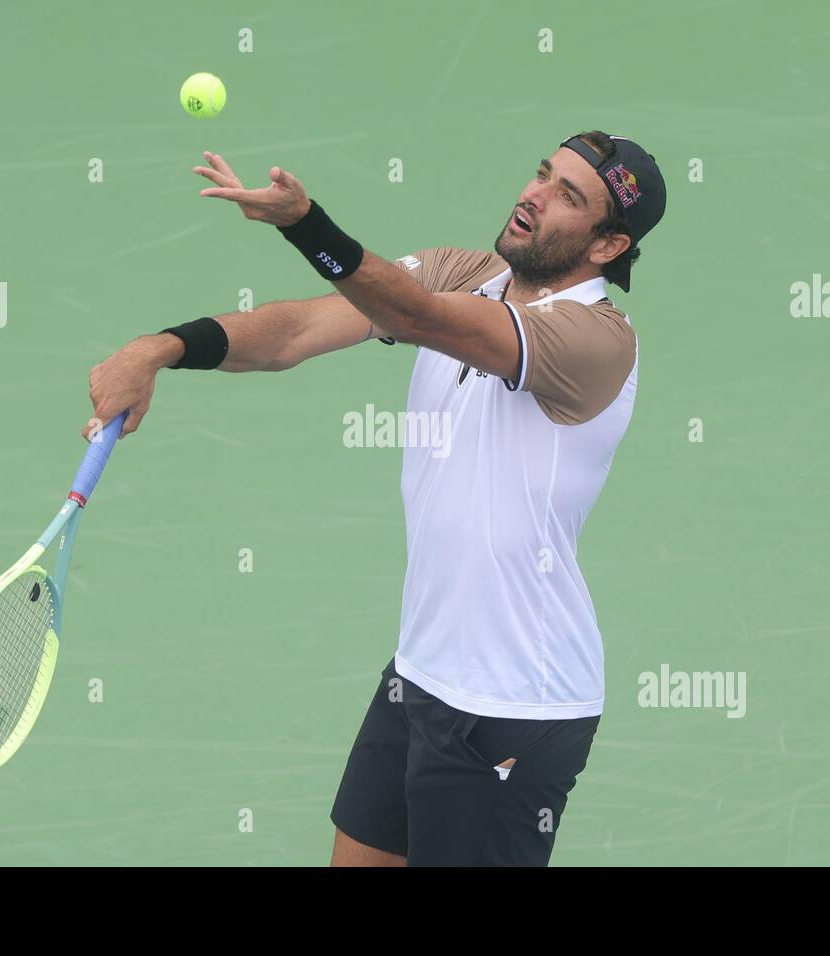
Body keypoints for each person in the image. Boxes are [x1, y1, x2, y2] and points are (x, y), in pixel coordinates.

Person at [84, 129, 667, 866]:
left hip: (515, 704)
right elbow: (297, 331)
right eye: (544, 174)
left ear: (608, 246)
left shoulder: (596, 341)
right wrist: (160, 348)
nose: (534, 195)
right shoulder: (466, 271)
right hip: (420, 674)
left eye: (567, 197)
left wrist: (305, 223)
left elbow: (417, 317)